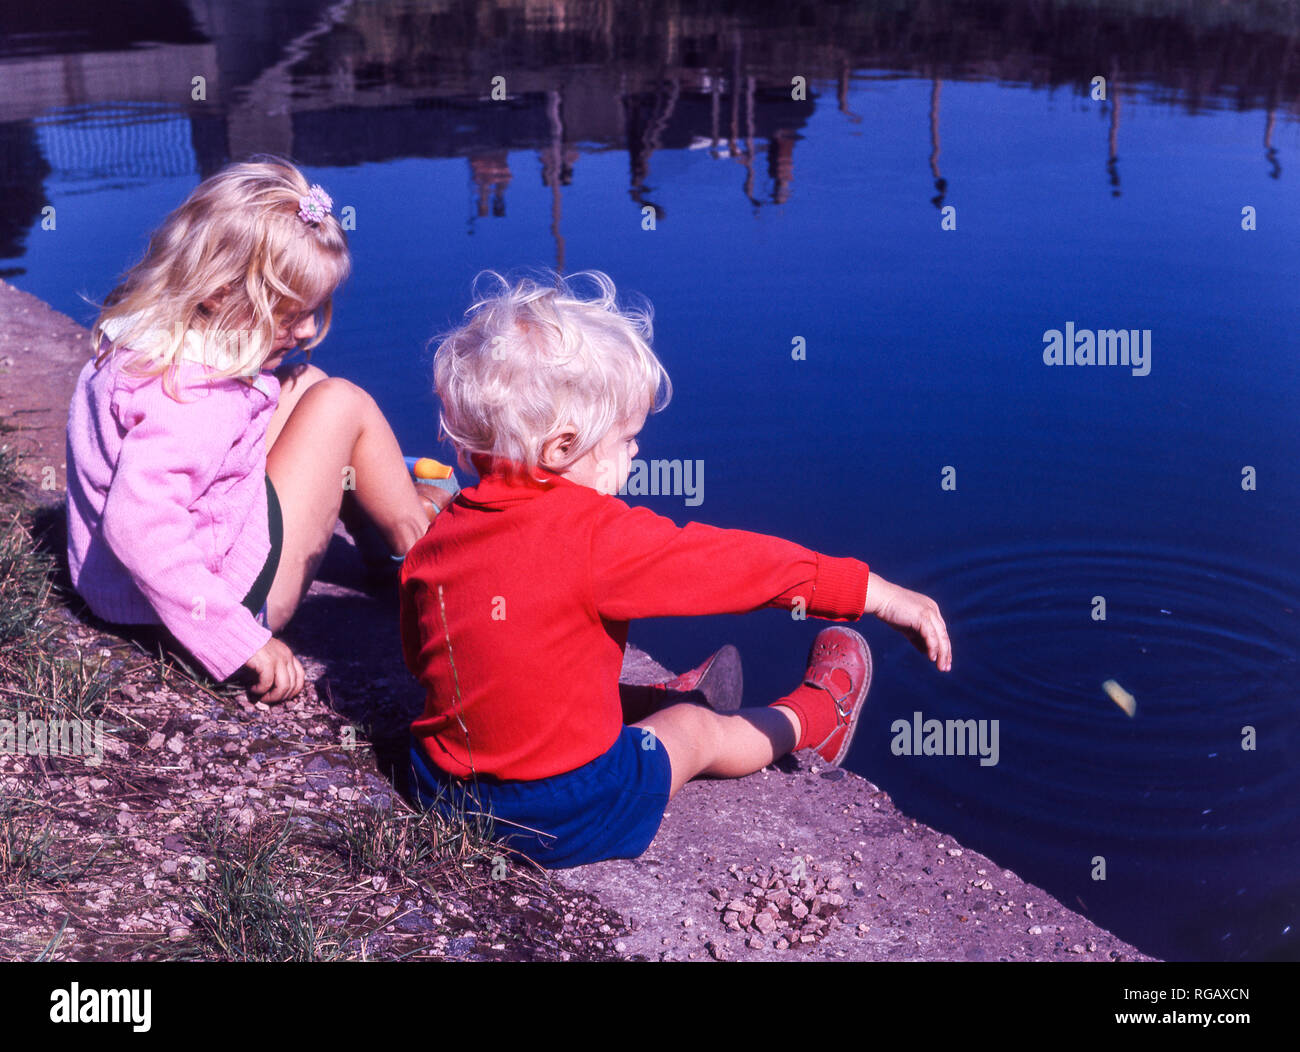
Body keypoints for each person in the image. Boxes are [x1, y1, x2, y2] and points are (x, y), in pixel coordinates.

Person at [400, 270, 952, 869]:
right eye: (629, 437)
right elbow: (740, 568)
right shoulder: (595, 536)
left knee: (527, 663)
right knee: (693, 731)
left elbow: (427, 659)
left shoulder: (438, 534)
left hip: (444, 792)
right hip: (559, 812)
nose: (637, 451)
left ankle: (645, 697)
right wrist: (871, 591)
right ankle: (812, 722)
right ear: (561, 448)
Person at [66, 159, 446, 702]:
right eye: (291, 315)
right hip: (220, 604)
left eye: (314, 310)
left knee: (305, 381)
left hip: (124, 590)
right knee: (341, 404)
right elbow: (137, 526)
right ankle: (431, 559)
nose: (310, 328)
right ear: (218, 293)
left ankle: (384, 538)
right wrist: (236, 638)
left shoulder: (145, 343)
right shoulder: (189, 401)